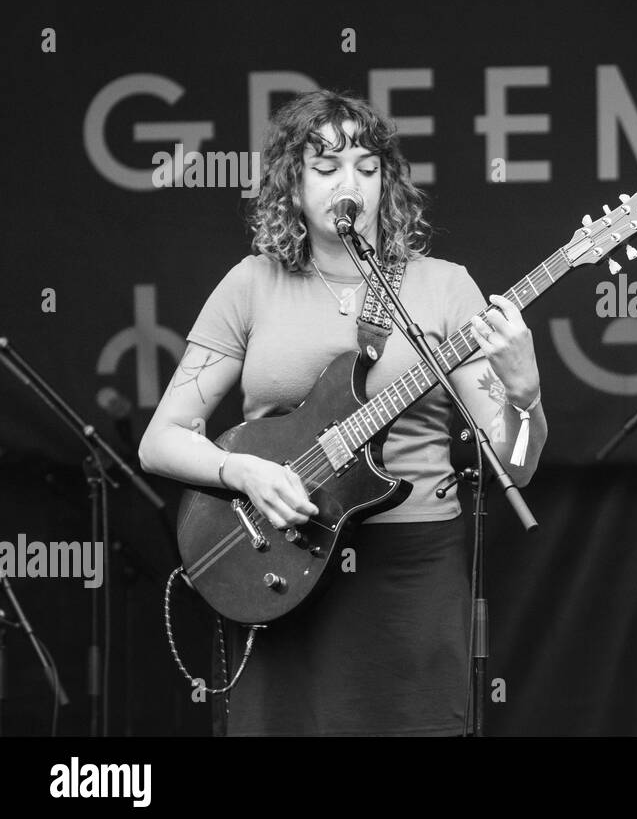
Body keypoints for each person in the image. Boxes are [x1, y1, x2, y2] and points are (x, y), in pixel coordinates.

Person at [138, 90, 546, 735]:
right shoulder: (250, 284)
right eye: (324, 169)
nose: (347, 183)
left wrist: (524, 393)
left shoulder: (443, 287)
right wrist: (242, 472)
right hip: (280, 553)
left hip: (411, 560)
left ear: (388, 183)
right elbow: (160, 441)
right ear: (292, 187)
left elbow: (516, 469)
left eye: (366, 166)